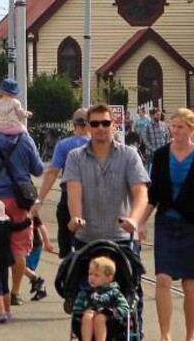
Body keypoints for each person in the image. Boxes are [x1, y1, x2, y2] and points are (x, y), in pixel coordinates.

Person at [139, 107, 194, 341]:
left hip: (193, 225)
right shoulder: (161, 156)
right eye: (172, 127)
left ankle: (190, 339)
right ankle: (165, 338)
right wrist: (141, 222)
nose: (175, 131)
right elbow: (153, 196)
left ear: (192, 129)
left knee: (189, 284)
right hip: (166, 223)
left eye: (181, 127)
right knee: (162, 279)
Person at [0, 120, 43, 302]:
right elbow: (38, 169)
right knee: (19, 248)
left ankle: (0, 291)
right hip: (20, 200)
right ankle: (15, 293)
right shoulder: (25, 140)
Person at [63, 104, 148, 254]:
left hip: (123, 238)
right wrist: (76, 216)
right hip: (86, 239)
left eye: (105, 123)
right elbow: (74, 191)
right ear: (89, 128)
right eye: (95, 124)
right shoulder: (75, 157)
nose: (100, 127)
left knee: (130, 275)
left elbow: (141, 191)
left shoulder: (129, 155)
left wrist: (134, 219)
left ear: (113, 125)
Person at [35, 107, 91, 259]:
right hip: (92, 198)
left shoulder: (64, 145)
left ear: (74, 125)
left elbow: (52, 173)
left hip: (68, 197)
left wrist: (40, 199)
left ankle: (67, 271)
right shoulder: (97, 144)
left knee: (66, 242)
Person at [73, 256, 130, 341]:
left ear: (108, 278)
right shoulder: (85, 292)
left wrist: (114, 311)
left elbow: (125, 308)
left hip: (111, 322)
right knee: (88, 315)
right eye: (90, 274)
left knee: (100, 317)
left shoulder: (114, 292)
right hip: (88, 320)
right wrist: (78, 314)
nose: (92, 278)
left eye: (96, 275)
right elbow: (77, 308)